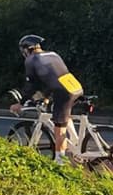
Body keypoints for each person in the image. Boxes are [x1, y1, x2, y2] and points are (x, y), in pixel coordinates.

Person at [9, 35, 85, 164]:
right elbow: (54, 77)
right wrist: (45, 97)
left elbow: (31, 85)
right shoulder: (53, 54)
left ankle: (60, 161)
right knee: (63, 113)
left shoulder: (31, 60)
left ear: (26, 49)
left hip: (64, 92)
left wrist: (20, 103)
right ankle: (75, 141)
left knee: (59, 127)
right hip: (75, 86)